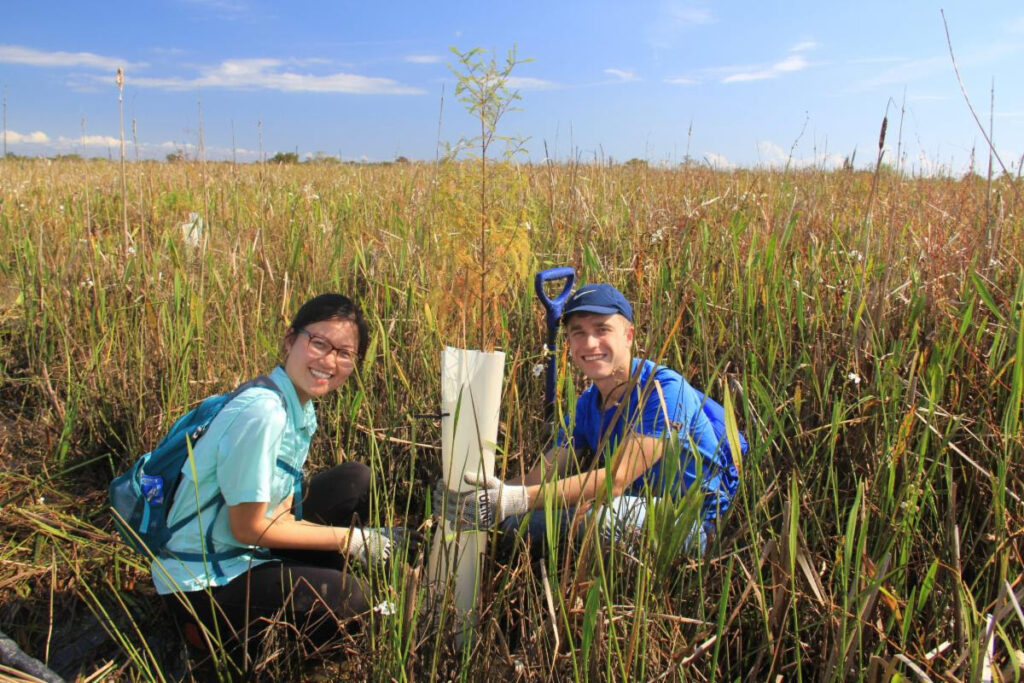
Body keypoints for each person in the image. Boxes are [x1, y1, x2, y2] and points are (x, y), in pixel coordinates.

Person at [152, 293, 392, 667]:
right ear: (290, 339)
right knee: (351, 597)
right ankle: (212, 636)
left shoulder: (295, 403)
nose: (330, 362)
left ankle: (314, 587)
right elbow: (248, 528)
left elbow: (279, 511)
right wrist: (347, 540)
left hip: (243, 549)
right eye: (319, 343)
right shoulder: (264, 413)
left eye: (345, 353)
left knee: (355, 479)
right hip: (203, 580)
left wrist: (345, 545)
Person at [466, 283, 742, 558]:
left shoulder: (663, 389)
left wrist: (516, 500)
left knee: (599, 523)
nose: (589, 343)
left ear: (628, 335)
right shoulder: (586, 404)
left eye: (602, 329)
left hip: (692, 521)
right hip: (630, 507)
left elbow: (617, 479)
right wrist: (481, 495)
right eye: (578, 333)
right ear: (569, 344)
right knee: (519, 525)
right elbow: (541, 476)